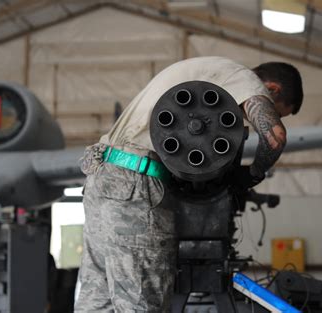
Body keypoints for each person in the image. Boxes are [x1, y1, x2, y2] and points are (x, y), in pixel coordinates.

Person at [75, 56, 303, 312]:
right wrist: (253, 173)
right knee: (141, 302)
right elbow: (275, 137)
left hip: (102, 174)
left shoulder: (211, 71)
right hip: (136, 185)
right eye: (275, 106)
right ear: (272, 89)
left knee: (98, 297)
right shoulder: (245, 80)